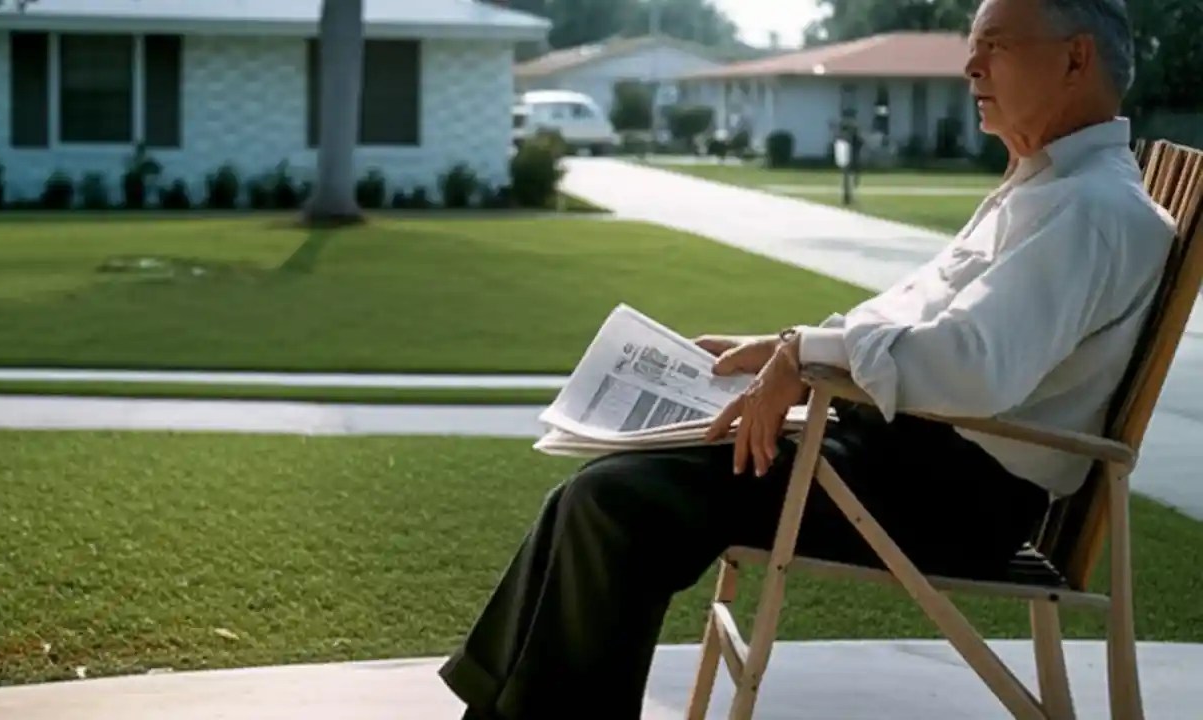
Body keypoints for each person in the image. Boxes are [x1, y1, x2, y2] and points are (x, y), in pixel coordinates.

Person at [440, 0, 1176, 717]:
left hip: (945, 496)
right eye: (972, 45)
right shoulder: (1050, 188)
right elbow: (914, 318)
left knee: (615, 505)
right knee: (596, 491)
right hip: (896, 454)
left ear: (1075, 58)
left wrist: (805, 357)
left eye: (996, 44)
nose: (971, 66)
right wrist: (786, 345)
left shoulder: (1094, 210)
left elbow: (972, 364)